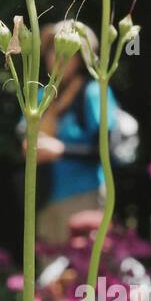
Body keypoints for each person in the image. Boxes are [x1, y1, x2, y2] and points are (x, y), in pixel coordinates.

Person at [28, 20, 117, 246]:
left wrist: (62, 151)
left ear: (81, 58)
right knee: (50, 264)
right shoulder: (40, 97)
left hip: (84, 196)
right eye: (52, 50)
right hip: (44, 197)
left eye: (67, 52)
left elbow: (107, 150)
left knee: (81, 262)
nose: (57, 57)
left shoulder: (93, 93)